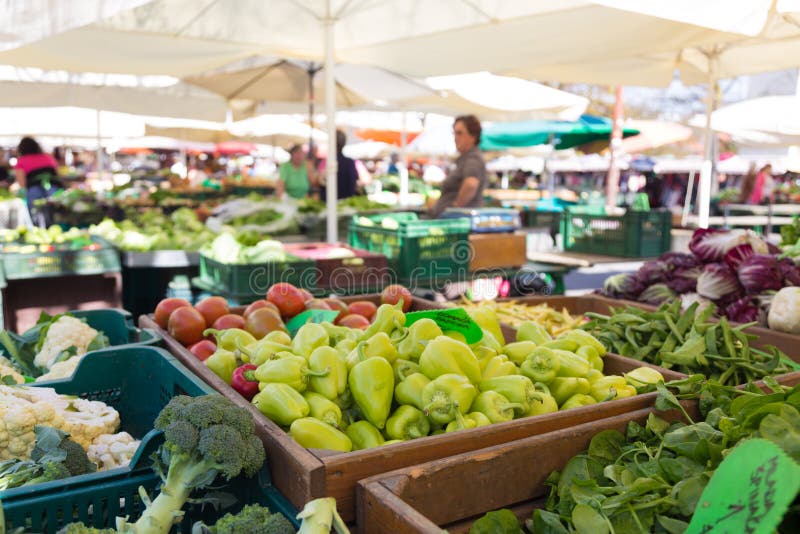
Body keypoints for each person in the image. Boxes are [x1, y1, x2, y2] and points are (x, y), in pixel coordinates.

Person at [429, 114, 487, 217]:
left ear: (473, 136)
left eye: (460, 133)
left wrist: (455, 207)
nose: (455, 138)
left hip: (459, 221)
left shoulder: (473, 158)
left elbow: (471, 184)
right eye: (454, 133)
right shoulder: (465, 158)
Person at [14, 137, 62, 224]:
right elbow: (58, 175)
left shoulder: (21, 161)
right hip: (54, 190)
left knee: (37, 221)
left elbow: (22, 184)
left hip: (34, 192)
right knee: (56, 219)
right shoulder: (48, 157)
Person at [320, 130, 358, 201]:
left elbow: (322, 184)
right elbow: (353, 184)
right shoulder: (350, 162)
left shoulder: (328, 162)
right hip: (346, 203)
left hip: (331, 203)